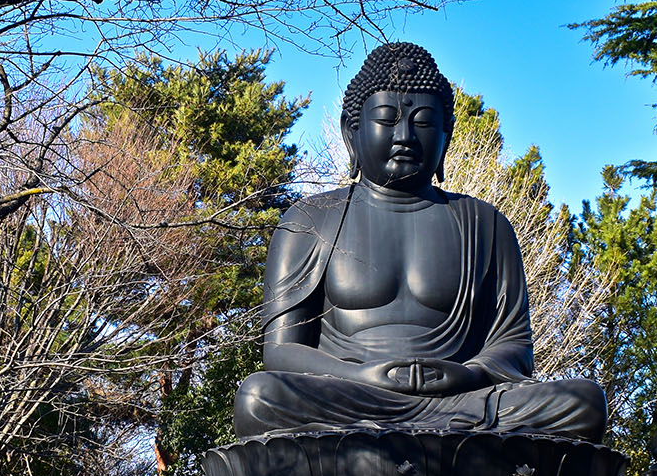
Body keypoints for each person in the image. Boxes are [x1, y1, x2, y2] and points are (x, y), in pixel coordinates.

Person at [232, 42, 606, 440]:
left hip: (461, 401)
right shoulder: (310, 221)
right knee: (259, 396)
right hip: (350, 396)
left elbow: (514, 345)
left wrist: (469, 372)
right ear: (351, 132)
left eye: (424, 121)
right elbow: (280, 351)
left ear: (447, 135)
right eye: (387, 119)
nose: (405, 135)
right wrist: (360, 374)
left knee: (582, 401)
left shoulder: (485, 224)